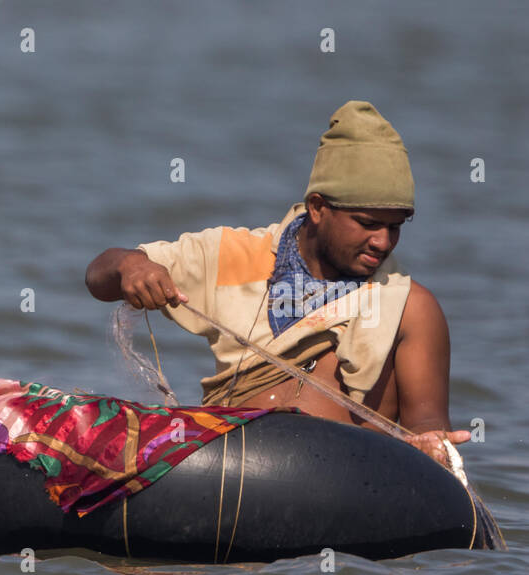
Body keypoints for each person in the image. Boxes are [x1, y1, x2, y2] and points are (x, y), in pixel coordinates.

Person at [85, 100, 468, 465]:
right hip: (230, 478)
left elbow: (427, 425)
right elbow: (99, 276)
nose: (383, 242)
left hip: (350, 491)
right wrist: (132, 266)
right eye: (368, 224)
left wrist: (430, 446)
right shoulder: (232, 254)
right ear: (318, 208)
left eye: (395, 227)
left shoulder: (410, 307)